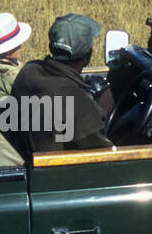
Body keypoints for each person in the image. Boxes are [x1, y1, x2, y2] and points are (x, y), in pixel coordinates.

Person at [10, 13, 113, 157]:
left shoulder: (28, 71)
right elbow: (107, 157)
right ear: (88, 56)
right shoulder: (76, 101)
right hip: (58, 175)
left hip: (32, 163)